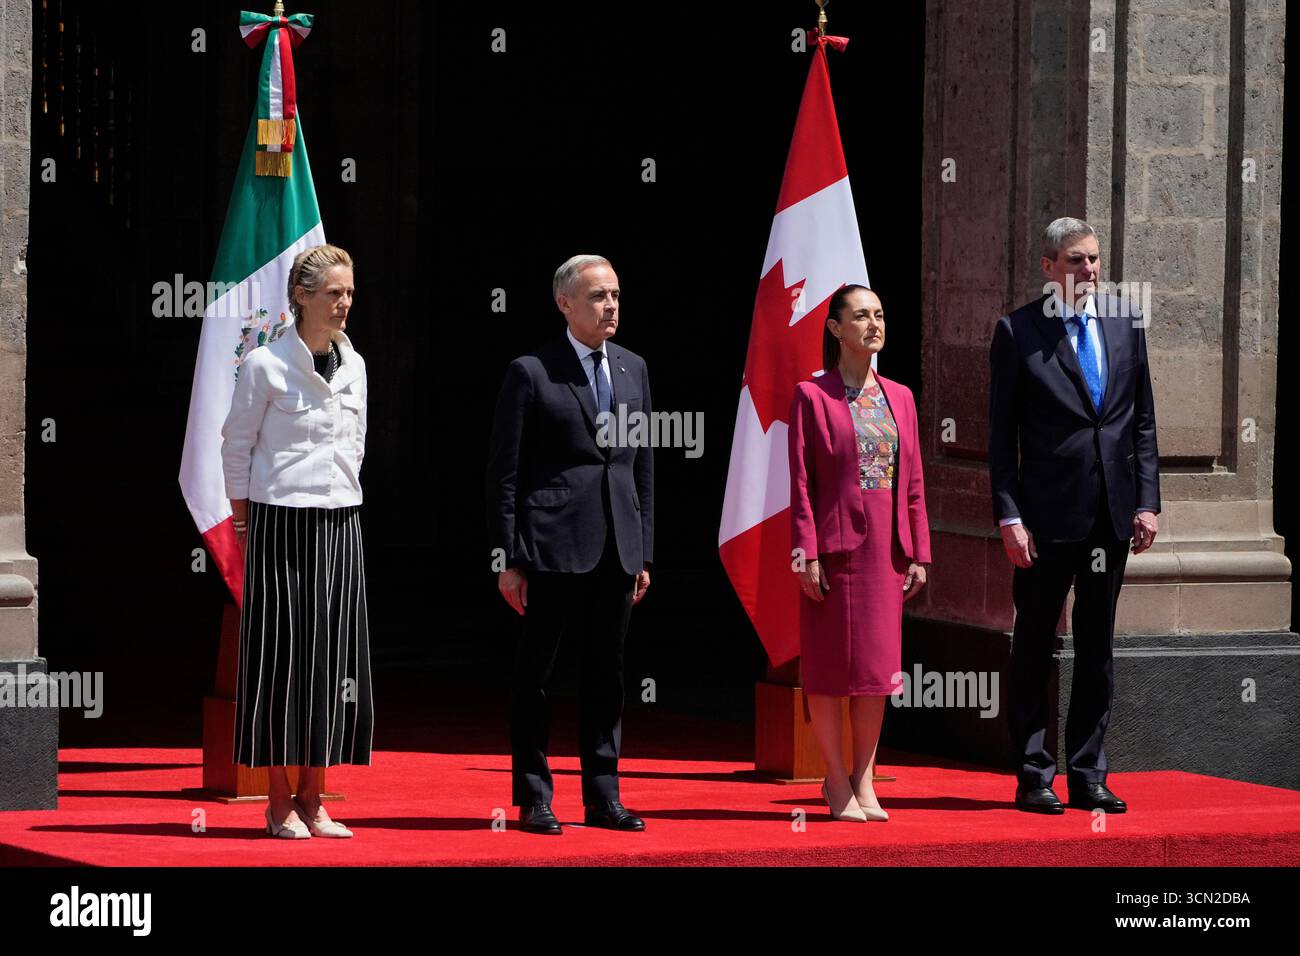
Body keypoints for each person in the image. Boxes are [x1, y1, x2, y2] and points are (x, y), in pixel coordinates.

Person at [988, 217, 1161, 815]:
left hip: (1110, 516)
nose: (1087, 271)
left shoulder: (1124, 324)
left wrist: (1146, 500)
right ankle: (1035, 774)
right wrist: (1008, 515)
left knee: (1097, 647)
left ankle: (1089, 772)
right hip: (1042, 521)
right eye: (1073, 261)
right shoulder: (1017, 332)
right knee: (1034, 645)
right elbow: (999, 436)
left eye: (1092, 259)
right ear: (1047, 267)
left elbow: (1140, 420)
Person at [486, 254, 654, 835]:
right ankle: (534, 797)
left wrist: (643, 550)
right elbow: (504, 473)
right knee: (538, 674)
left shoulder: (633, 368)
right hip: (551, 547)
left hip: (617, 547)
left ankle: (603, 797)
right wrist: (508, 558)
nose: (610, 306)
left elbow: (642, 466)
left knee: (606, 674)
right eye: (597, 297)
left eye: (615, 295)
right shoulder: (531, 371)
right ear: (565, 303)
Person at [221, 243, 373, 839]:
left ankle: (316, 796)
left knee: (334, 657)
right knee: (281, 659)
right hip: (281, 520)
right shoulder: (265, 364)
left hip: (340, 521)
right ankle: (278, 799)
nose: (344, 303)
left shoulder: (355, 363)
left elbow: (356, 442)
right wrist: (240, 517)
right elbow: (236, 445)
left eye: (350, 292)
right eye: (333, 292)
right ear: (301, 297)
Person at [788, 284, 930, 823]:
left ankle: (864, 778)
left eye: (880, 313)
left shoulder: (901, 397)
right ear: (835, 328)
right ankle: (833, 778)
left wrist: (918, 552)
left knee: (876, 672)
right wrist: (805, 553)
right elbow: (800, 482)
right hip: (830, 552)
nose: (874, 324)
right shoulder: (812, 395)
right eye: (862, 315)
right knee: (828, 670)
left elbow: (912, 480)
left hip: (885, 553)